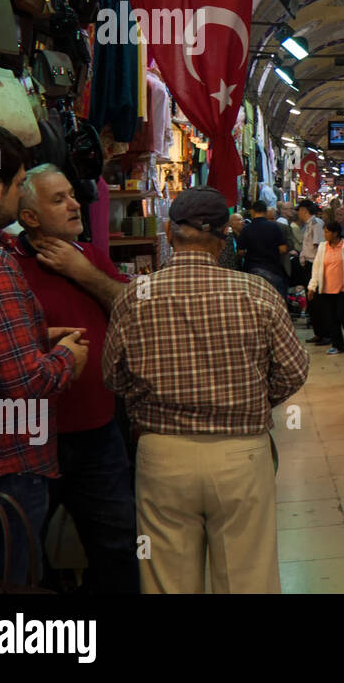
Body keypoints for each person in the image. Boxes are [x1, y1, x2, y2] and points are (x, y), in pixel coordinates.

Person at [102, 186, 309, 593]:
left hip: (163, 454)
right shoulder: (257, 294)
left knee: (167, 580)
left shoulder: (136, 296)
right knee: (247, 577)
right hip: (241, 453)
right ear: (224, 237)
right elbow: (292, 371)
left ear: (168, 230)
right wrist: (250, 398)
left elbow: (113, 375)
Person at [0, 121, 89, 585]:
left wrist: (33, 334)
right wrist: (67, 356)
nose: (22, 191)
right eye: (20, 180)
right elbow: (28, 384)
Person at [10, 163, 137, 593]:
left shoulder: (90, 256)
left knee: (116, 541)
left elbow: (129, 307)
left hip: (99, 429)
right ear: (29, 217)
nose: (75, 204)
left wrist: (82, 273)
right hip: (30, 436)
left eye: (72, 194)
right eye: (58, 199)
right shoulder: (5, 264)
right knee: (26, 548)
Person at [307, 220, 344, 355]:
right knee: (330, 319)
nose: (324, 234)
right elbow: (316, 268)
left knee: (343, 315)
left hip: (343, 289)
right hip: (326, 289)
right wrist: (312, 286)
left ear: (335, 233)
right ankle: (337, 346)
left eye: (327, 232)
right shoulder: (322, 247)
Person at [240, 200, 290, 298]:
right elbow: (283, 249)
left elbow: (241, 252)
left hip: (252, 272)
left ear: (252, 211)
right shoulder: (274, 227)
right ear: (265, 212)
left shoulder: (246, 229)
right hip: (273, 270)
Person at [296, 200, 326, 343]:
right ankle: (318, 332)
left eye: (299, 210)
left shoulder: (316, 224)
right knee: (312, 302)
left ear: (304, 210)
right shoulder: (308, 225)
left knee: (318, 301)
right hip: (308, 265)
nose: (298, 213)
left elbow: (319, 246)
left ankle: (323, 333)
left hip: (315, 266)